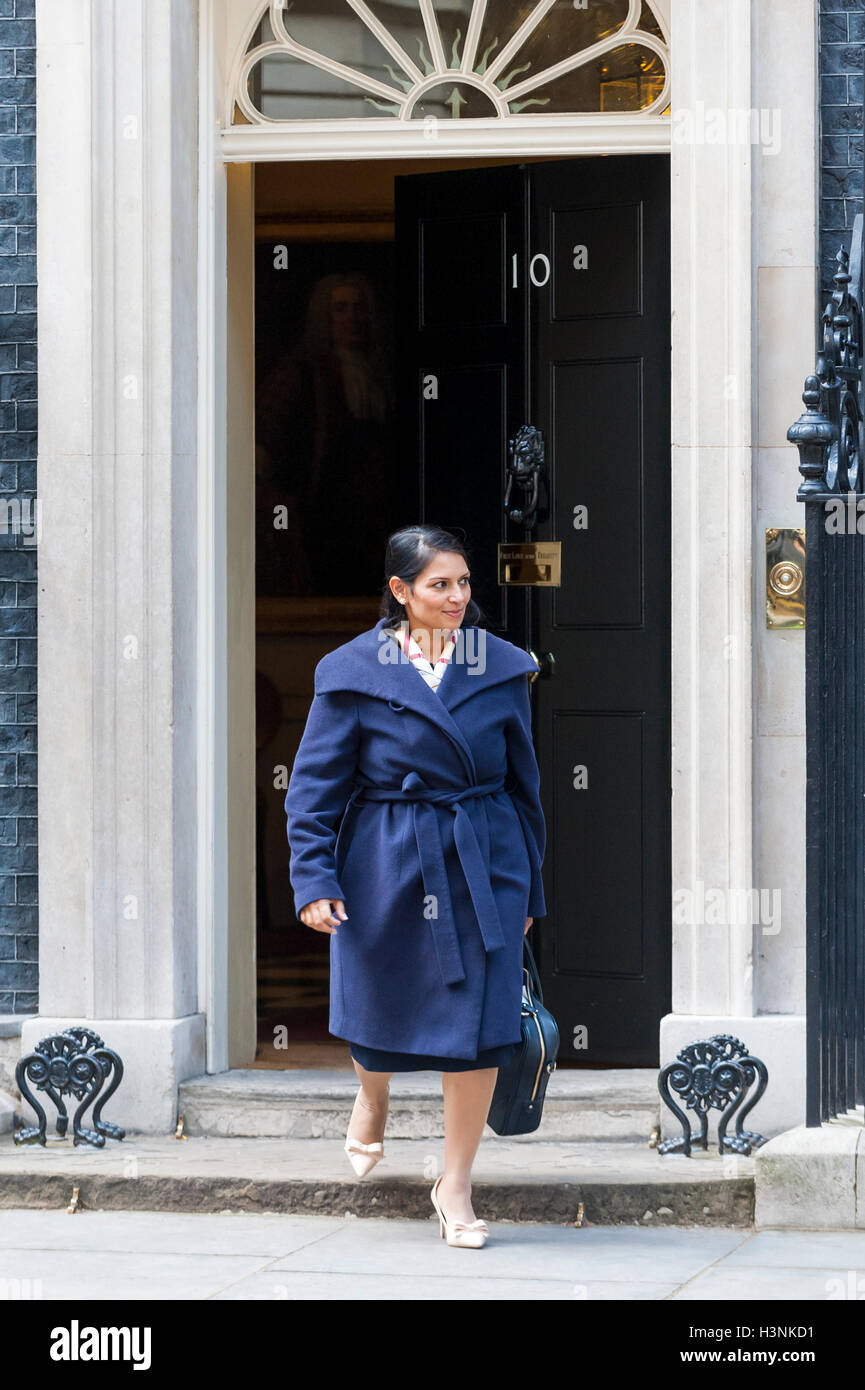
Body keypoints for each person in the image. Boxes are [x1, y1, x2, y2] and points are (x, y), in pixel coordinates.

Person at [283, 524, 547, 1247]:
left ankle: (454, 1183)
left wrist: (531, 891)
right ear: (400, 592)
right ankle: (372, 1098)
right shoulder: (353, 669)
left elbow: (525, 789)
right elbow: (313, 791)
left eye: (463, 583)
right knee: (380, 1001)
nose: (456, 597)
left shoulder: (497, 666)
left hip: (484, 860)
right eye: (439, 585)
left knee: (481, 1032)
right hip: (387, 860)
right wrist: (314, 877)